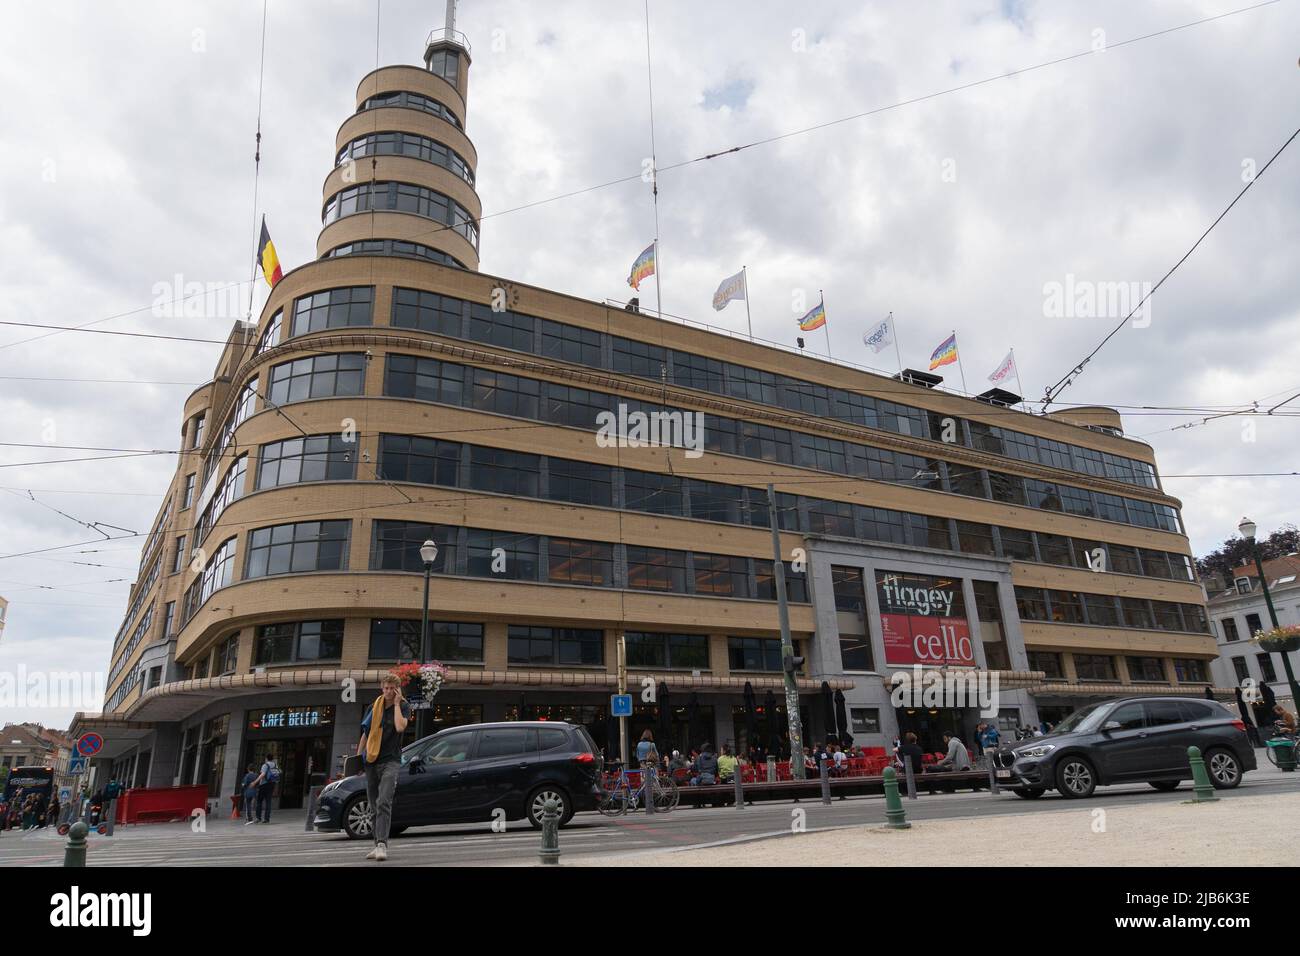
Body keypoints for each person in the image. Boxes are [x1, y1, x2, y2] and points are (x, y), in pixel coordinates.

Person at [356, 672, 411, 861]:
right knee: (373, 805)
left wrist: (396, 704)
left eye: (391, 688)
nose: (388, 692)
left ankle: (382, 845)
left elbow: (400, 727)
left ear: (397, 689)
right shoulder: (374, 707)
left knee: (383, 801)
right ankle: (376, 844)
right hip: (371, 761)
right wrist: (358, 757)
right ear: (382, 688)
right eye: (385, 688)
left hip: (391, 761)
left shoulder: (403, 706)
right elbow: (366, 734)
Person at [250, 751, 280, 824]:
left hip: (264, 784)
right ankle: (267, 819)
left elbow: (262, 774)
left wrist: (255, 782)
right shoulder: (275, 765)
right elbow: (278, 773)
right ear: (272, 758)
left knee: (259, 801)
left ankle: (258, 818)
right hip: (272, 784)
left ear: (266, 758)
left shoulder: (265, 765)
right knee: (268, 802)